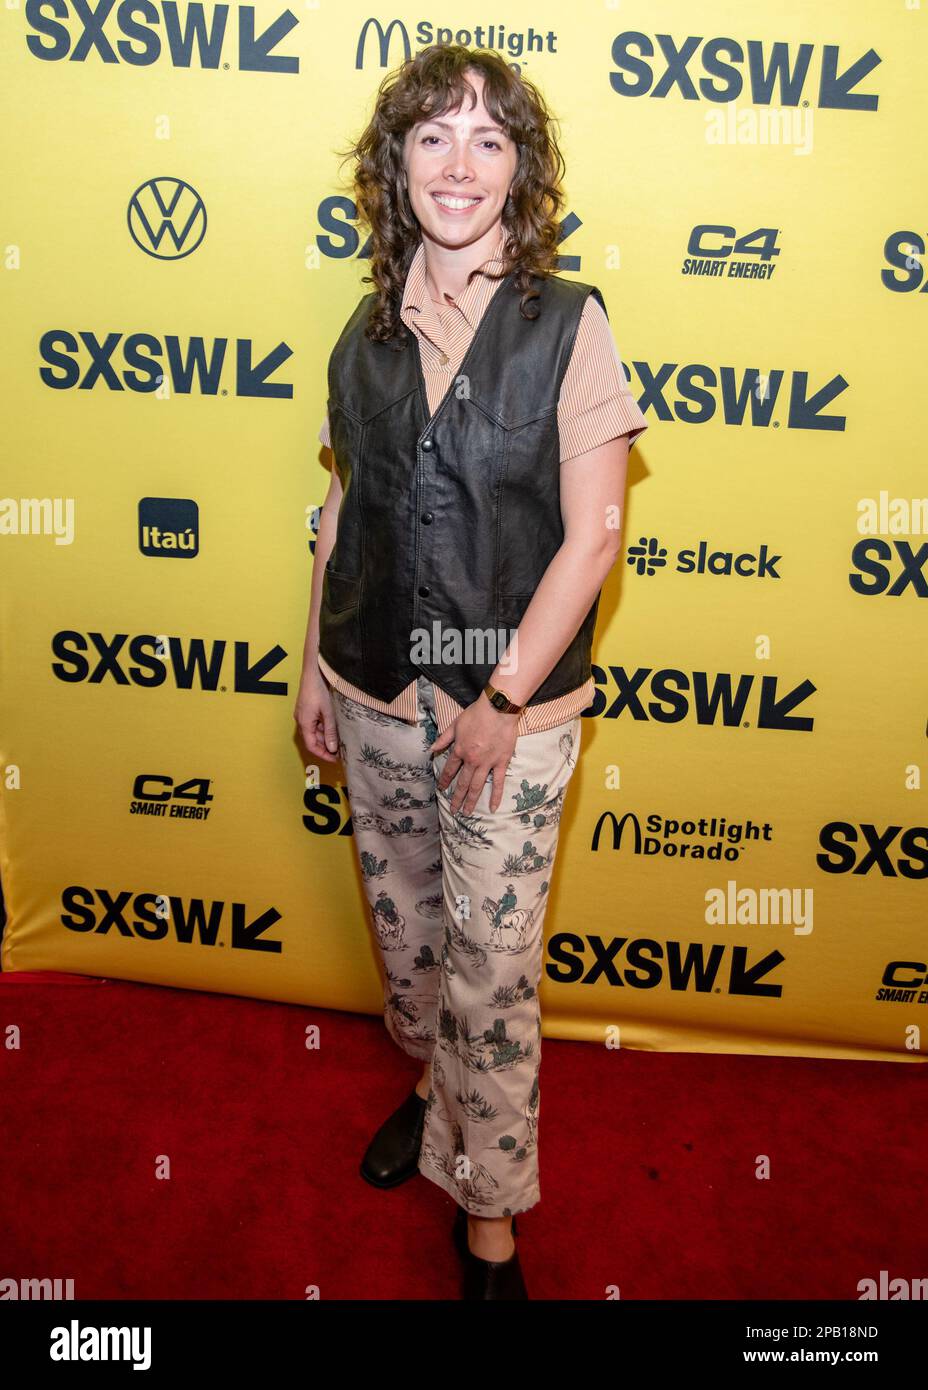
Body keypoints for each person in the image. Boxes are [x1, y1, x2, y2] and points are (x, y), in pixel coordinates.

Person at [294, 43, 648, 1300]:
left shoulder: (568, 322)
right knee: (410, 946)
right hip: (373, 686)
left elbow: (595, 534)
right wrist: (309, 668)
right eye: (433, 135)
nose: (459, 162)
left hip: (511, 710)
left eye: (489, 138)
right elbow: (343, 507)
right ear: (396, 164)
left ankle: (490, 1219)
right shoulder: (366, 324)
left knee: (492, 974)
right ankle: (424, 1087)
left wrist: (501, 699)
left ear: (521, 171)